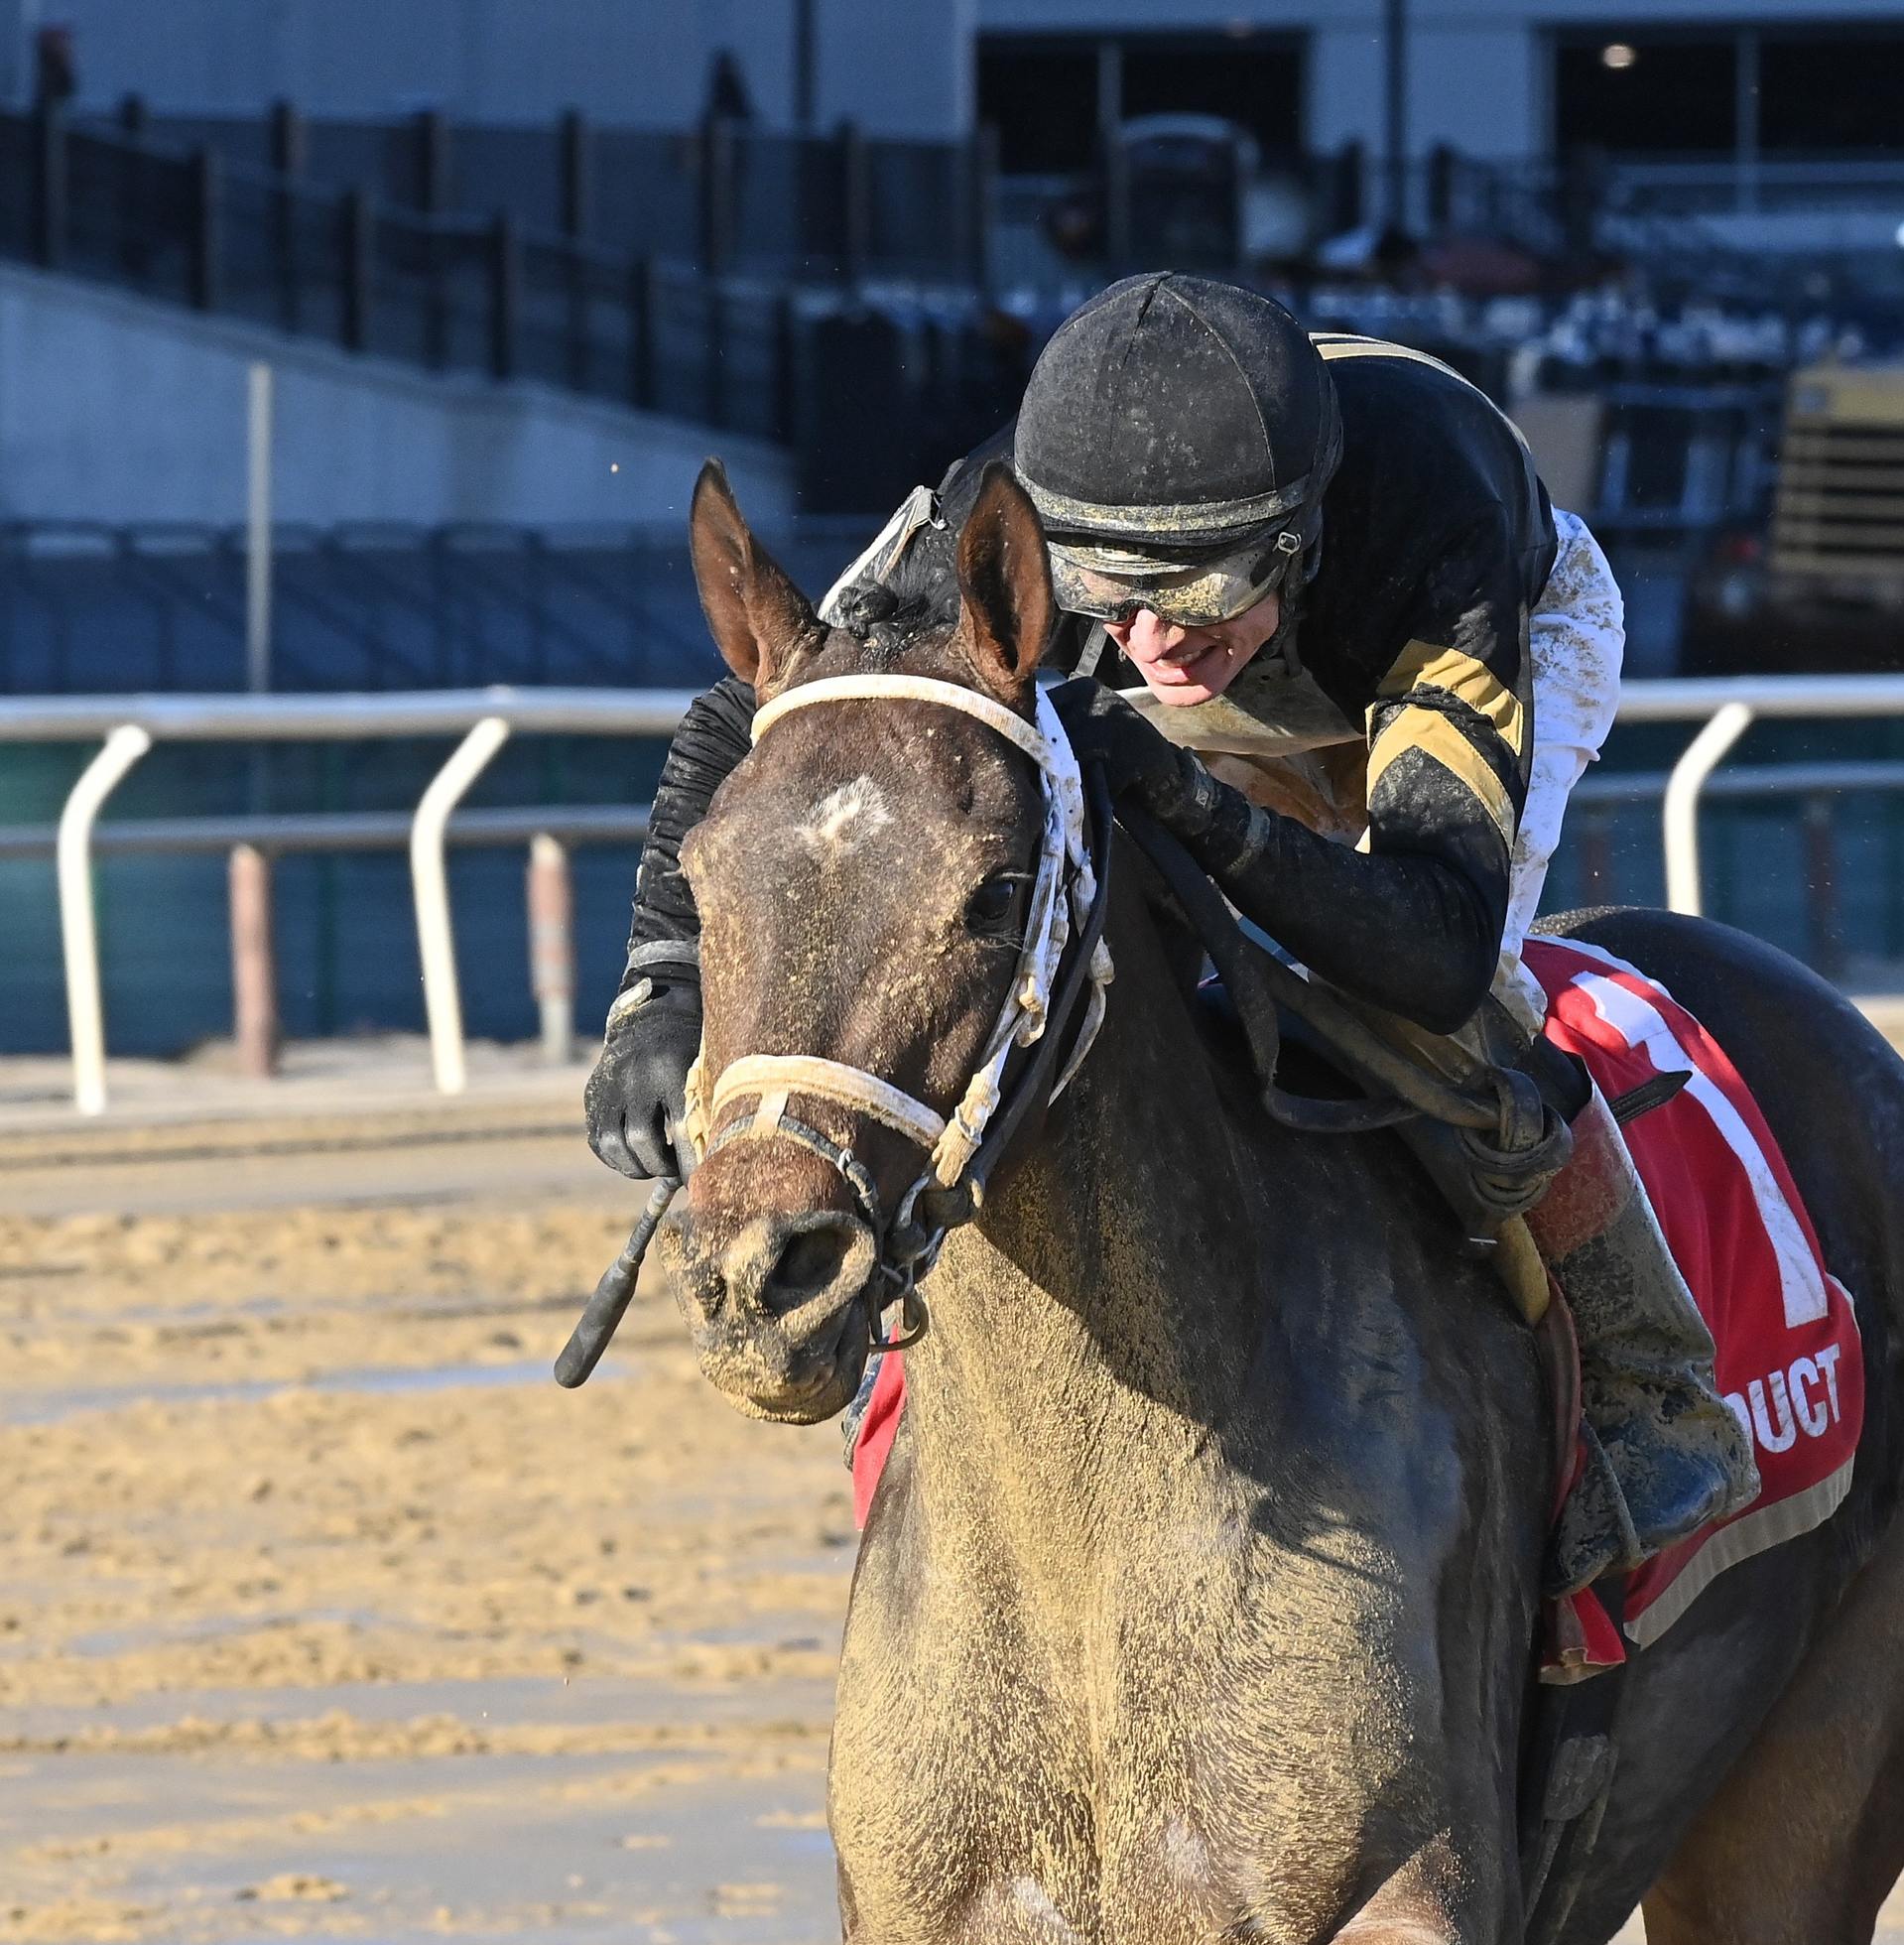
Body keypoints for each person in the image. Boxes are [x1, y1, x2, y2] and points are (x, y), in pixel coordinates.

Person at [586, 274, 1757, 1593]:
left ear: (1297, 538)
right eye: (1112, 594)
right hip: (1235, 661)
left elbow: (1428, 945)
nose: (1147, 638)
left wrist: (1205, 811)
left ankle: (1654, 1381)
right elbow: (748, 720)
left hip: (1460, 649)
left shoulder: (1434, 526)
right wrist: (659, 989)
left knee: (1435, 1010)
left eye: (1193, 595)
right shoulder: (1010, 511)